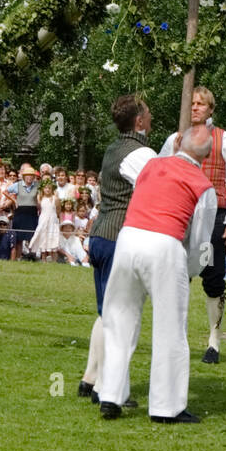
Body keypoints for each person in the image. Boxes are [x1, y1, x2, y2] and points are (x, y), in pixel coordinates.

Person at [99, 124, 217, 423]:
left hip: (128, 238)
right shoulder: (203, 185)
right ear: (207, 155)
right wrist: (190, 270)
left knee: (118, 318)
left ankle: (110, 394)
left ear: (179, 143)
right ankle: (166, 407)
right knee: (170, 327)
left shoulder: (150, 165)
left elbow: (127, 166)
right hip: (165, 244)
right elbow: (201, 240)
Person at [160, 86, 226, 364]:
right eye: (192, 103)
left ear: (211, 109)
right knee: (178, 274)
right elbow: (159, 171)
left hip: (214, 216)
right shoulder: (175, 139)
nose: (195, 107)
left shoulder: (225, 140)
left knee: (212, 277)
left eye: (201, 104)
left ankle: (214, 340)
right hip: (181, 214)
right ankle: (177, 337)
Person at [79, 95, 156, 404]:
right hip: (119, 238)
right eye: (148, 114)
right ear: (138, 121)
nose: (150, 119)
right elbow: (155, 191)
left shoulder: (113, 148)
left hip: (100, 235)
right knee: (122, 316)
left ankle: (90, 378)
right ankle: (108, 389)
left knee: (106, 313)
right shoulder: (141, 153)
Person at [8, 164, 40, 260]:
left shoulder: (38, 185)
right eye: (27, 175)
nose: (29, 177)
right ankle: (18, 257)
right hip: (20, 212)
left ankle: (31, 257)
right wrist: (14, 201)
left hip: (32, 212)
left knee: (32, 236)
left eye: (31, 176)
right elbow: (6, 191)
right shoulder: (17, 185)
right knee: (19, 237)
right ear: (24, 176)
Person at [30, 180, 61, 261]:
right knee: (43, 237)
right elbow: (40, 209)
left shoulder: (55, 199)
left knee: (52, 237)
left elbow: (58, 211)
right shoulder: (41, 198)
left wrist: (56, 219)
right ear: (43, 189)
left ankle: (52, 257)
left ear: (52, 189)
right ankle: (43, 258)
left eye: (49, 188)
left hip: (52, 220)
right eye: (46, 188)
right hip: (43, 219)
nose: (47, 190)